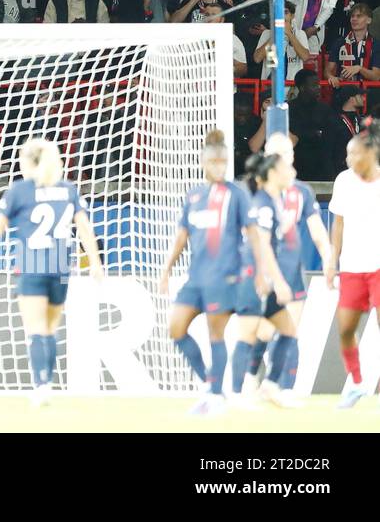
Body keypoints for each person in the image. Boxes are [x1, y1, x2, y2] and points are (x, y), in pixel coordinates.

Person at [0, 138, 103, 406]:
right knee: (50, 329)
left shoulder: (20, 190)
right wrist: (96, 262)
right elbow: (85, 229)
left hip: (32, 267)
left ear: (29, 162)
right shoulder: (68, 189)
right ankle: (47, 385)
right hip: (62, 268)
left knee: (35, 329)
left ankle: (40, 387)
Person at [159, 130, 282, 415]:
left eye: (222, 162)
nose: (218, 166)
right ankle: (210, 384)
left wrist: (261, 272)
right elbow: (181, 236)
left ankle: (214, 395)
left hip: (224, 276)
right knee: (176, 329)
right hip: (195, 278)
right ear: (203, 162)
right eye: (213, 161)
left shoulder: (236, 193)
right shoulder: (194, 195)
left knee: (216, 335)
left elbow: (253, 234)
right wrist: (166, 269)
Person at [243, 132, 335, 405]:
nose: (285, 160)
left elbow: (317, 230)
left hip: (291, 269)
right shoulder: (256, 191)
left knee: (290, 329)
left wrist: (328, 256)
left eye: (288, 155)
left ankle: (275, 385)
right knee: (262, 330)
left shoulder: (302, 192)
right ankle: (248, 379)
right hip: (263, 270)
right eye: (279, 155)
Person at [330, 118, 380, 408]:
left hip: (378, 267)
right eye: (348, 154)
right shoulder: (343, 180)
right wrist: (331, 261)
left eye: (354, 154)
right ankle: (357, 384)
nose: (349, 159)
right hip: (351, 267)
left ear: (370, 155)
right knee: (345, 329)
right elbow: (338, 224)